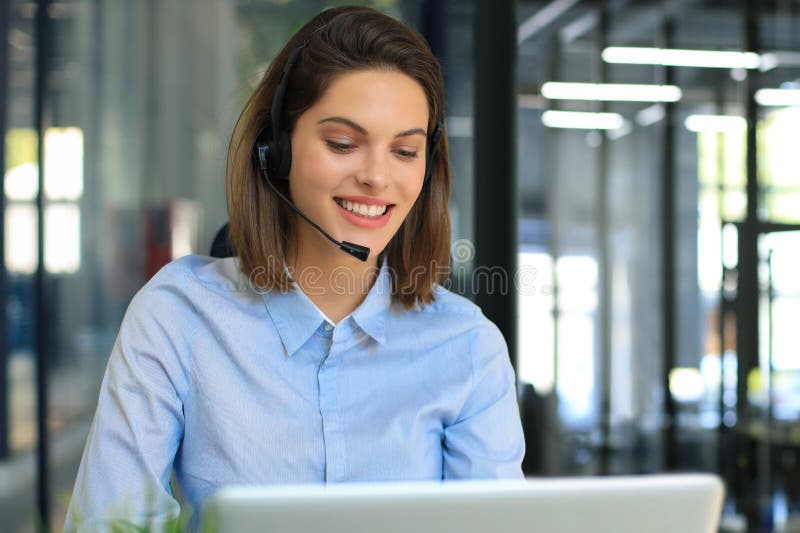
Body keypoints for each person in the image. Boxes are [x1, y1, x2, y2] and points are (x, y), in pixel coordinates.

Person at [65, 5, 524, 532]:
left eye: (404, 150)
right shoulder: (178, 316)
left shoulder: (467, 348)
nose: (377, 176)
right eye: (343, 144)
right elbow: (109, 525)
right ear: (275, 150)